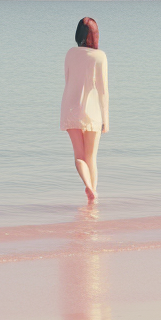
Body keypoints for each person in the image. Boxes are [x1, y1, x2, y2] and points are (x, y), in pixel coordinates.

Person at [60, 17, 109, 201]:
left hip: (70, 109)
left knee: (79, 156)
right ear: (95, 35)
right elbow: (104, 92)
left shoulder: (70, 53)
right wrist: (106, 120)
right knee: (91, 158)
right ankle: (93, 195)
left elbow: (68, 79)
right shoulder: (100, 56)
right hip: (92, 111)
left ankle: (88, 187)